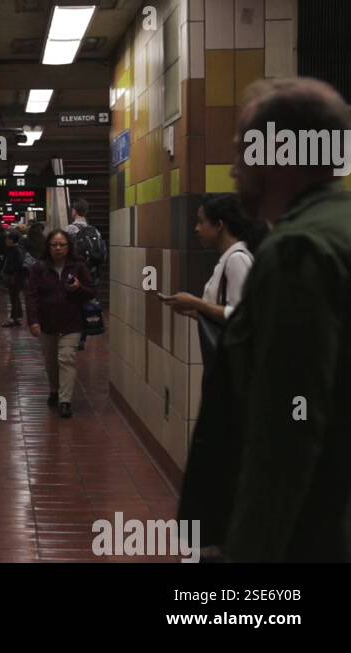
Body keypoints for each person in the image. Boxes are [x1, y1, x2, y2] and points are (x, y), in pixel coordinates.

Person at [178, 77, 351, 562]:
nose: (235, 170)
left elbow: (290, 426)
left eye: (241, 153)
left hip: (311, 535)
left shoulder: (298, 251)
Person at [26, 229, 96, 418]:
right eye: (54, 245)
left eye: (62, 245)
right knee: (50, 361)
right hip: (46, 323)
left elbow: (91, 292)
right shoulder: (38, 268)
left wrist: (79, 287)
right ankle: (54, 390)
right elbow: (31, 296)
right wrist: (33, 321)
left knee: (66, 358)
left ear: (68, 246)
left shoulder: (78, 266)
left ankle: (65, 401)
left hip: (72, 322)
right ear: (48, 247)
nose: (58, 248)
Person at [160, 193, 257, 328]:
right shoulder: (228, 259)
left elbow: (241, 317)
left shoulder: (237, 259)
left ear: (218, 225)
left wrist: (195, 302)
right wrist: (190, 310)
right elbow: (223, 315)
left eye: (201, 221)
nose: (196, 228)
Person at [65, 199, 106, 350]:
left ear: (74, 211)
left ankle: (73, 335)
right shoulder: (95, 230)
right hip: (92, 273)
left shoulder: (70, 229)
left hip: (75, 272)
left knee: (72, 303)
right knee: (86, 302)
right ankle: (83, 335)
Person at [0, 228, 27, 327]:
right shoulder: (14, 249)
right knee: (15, 298)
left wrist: (9, 272)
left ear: (11, 240)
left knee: (14, 298)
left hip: (15, 278)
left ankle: (13, 319)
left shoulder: (16, 250)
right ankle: (17, 317)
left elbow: (18, 264)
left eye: (7, 239)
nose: (6, 241)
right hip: (15, 277)